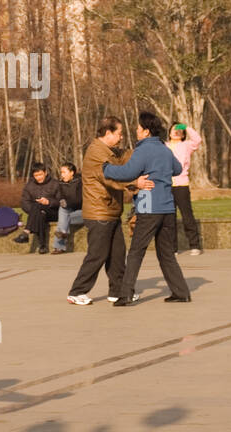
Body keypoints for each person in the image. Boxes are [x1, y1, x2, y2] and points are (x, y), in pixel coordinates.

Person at [103, 111, 192, 305]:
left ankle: (125, 294)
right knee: (166, 253)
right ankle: (181, 292)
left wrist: (106, 169)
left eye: (138, 127)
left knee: (136, 251)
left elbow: (128, 172)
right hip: (168, 207)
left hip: (149, 206)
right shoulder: (164, 149)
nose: (136, 130)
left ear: (146, 131)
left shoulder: (143, 150)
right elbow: (177, 169)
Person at [66, 117, 131, 305]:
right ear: (108, 133)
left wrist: (148, 148)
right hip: (99, 212)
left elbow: (126, 156)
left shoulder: (110, 151)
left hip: (111, 211)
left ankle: (117, 291)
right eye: (119, 133)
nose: (121, 138)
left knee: (118, 254)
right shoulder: (96, 153)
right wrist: (134, 183)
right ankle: (77, 291)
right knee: (98, 254)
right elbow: (110, 178)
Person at [167, 122, 202, 255]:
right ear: (169, 133)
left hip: (181, 185)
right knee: (170, 217)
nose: (176, 132)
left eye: (179, 131)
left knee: (187, 215)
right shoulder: (165, 146)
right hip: (167, 185)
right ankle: (172, 248)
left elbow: (197, 140)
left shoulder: (186, 145)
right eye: (173, 130)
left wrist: (186, 127)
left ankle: (195, 245)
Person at [15, 162, 61, 253]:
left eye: (40, 174)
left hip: (54, 212)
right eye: (36, 175)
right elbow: (24, 203)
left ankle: (26, 232)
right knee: (40, 212)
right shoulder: (29, 186)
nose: (39, 177)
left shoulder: (56, 184)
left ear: (45, 173)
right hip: (38, 213)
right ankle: (42, 247)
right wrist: (34, 211)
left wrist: (48, 202)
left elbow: (61, 201)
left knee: (38, 206)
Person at [53, 162, 83, 254]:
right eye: (61, 172)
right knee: (62, 210)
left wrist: (67, 203)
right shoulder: (61, 183)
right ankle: (62, 234)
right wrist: (62, 201)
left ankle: (59, 245)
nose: (62, 175)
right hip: (69, 209)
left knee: (63, 220)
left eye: (64, 172)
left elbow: (80, 199)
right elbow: (59, 196)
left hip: (84, 210)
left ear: (72, 172)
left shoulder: (80, 182)